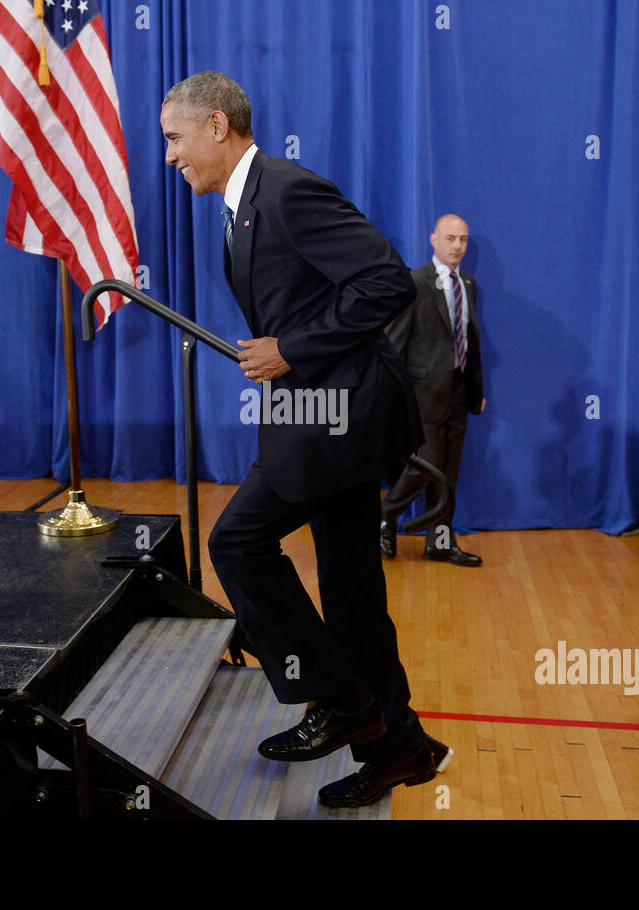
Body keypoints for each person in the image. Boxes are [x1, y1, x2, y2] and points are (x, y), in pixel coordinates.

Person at [161, 71, 443, 807]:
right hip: (316, 410)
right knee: (351, 590)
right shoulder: (241, 204)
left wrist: (292, 347)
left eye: (174, 137)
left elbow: (388, 282)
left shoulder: (285, 190)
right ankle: (399, 746)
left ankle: (339, 701)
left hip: (340, 415)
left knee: (238, 543)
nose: (170, 155)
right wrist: (294, 353)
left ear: (217, 125)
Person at [380, 214, 486, 566]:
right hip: (423, 396)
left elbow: (470, 342)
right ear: (433, 240)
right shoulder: (415, 283)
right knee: (426, 467)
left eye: (463, 239)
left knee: (449, 474)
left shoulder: (468, 284)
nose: (458, 245)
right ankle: (384, 517)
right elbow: (395, 344)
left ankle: (439, 542)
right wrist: (395, 395)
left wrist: (476, 389)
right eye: (451, 238)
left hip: (457, 393)